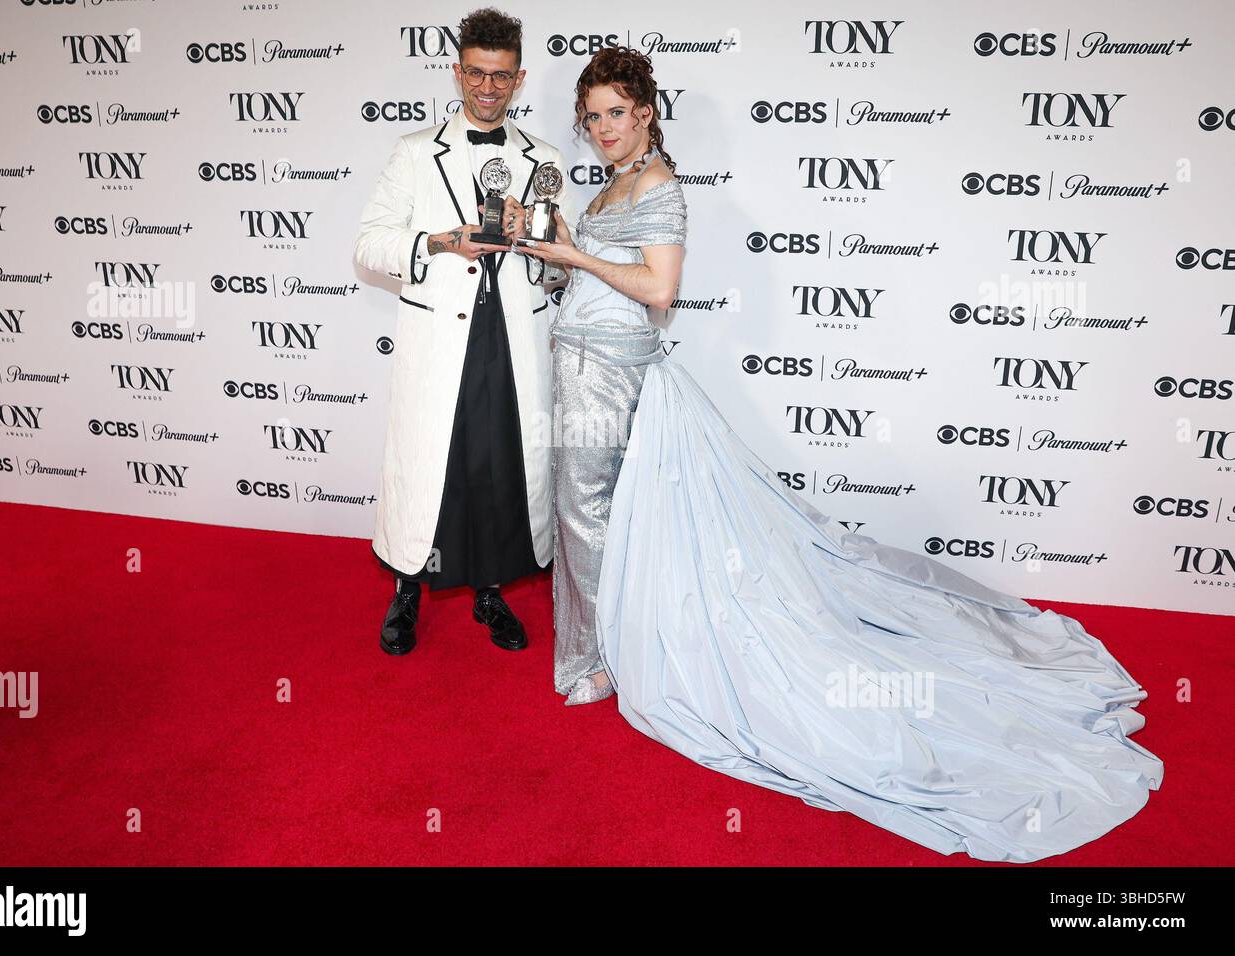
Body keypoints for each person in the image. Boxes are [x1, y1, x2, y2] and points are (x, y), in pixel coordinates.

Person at [518, 46, 1163, 862]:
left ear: (646, 112)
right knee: (602, 516)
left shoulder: (660, 188)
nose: (604, 128)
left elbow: (658, 291)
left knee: (592, 514)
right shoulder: (605, 187)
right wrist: (552, 256)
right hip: (582, 364)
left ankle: (608, 657)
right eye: (593, 115)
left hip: (612, 373)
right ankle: (611, 649)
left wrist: (570, 254)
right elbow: (597, 281)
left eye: (616, 112)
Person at [353, 8, 577, 656]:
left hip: (513, 339)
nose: (487, 87)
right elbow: (370, 244)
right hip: (439, 340)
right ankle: (405, 590)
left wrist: (545, 245)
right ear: (456, 71)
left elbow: (560, 274)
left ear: (519, 78)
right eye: (476, 73)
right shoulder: (415, 153)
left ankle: (490, 588)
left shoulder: (544, 159)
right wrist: (441, 241)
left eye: (500, 76)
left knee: (500, 464)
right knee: (433, 464)